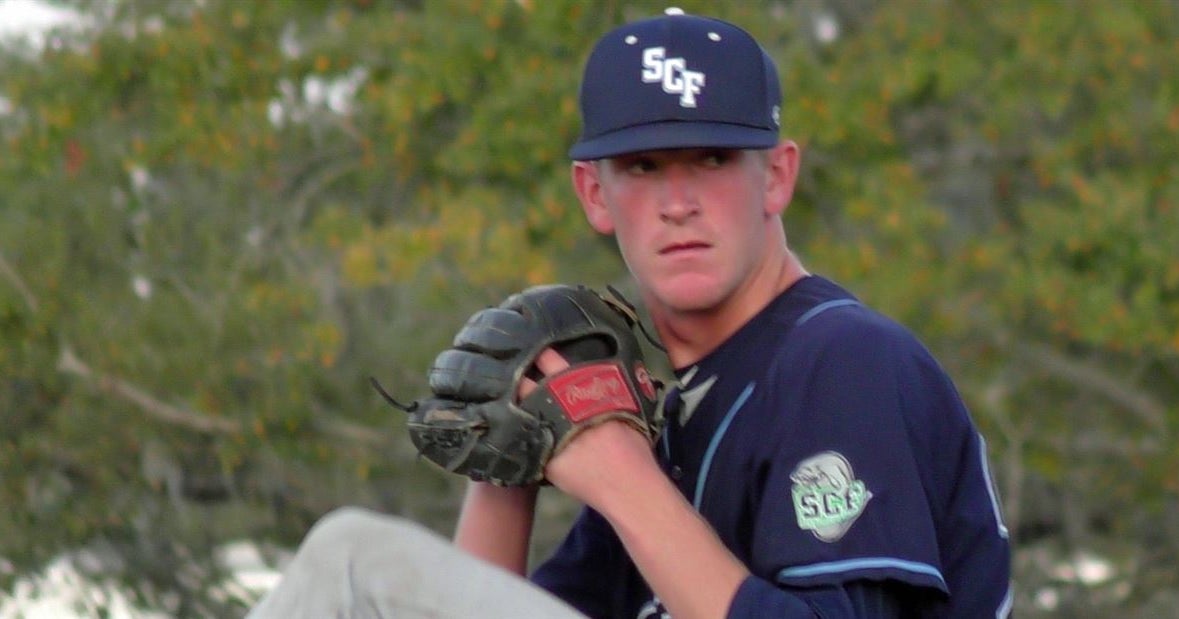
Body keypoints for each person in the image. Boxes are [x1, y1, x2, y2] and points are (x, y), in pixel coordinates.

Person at [248, 8, 1012, 618]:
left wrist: (620, 479)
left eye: (711, 160)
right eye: (644, 167)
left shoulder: (842, 360)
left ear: (776, 177)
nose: (678, 203)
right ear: (592, 194)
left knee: (352, 559)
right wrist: (507, 463)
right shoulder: (680, 409)